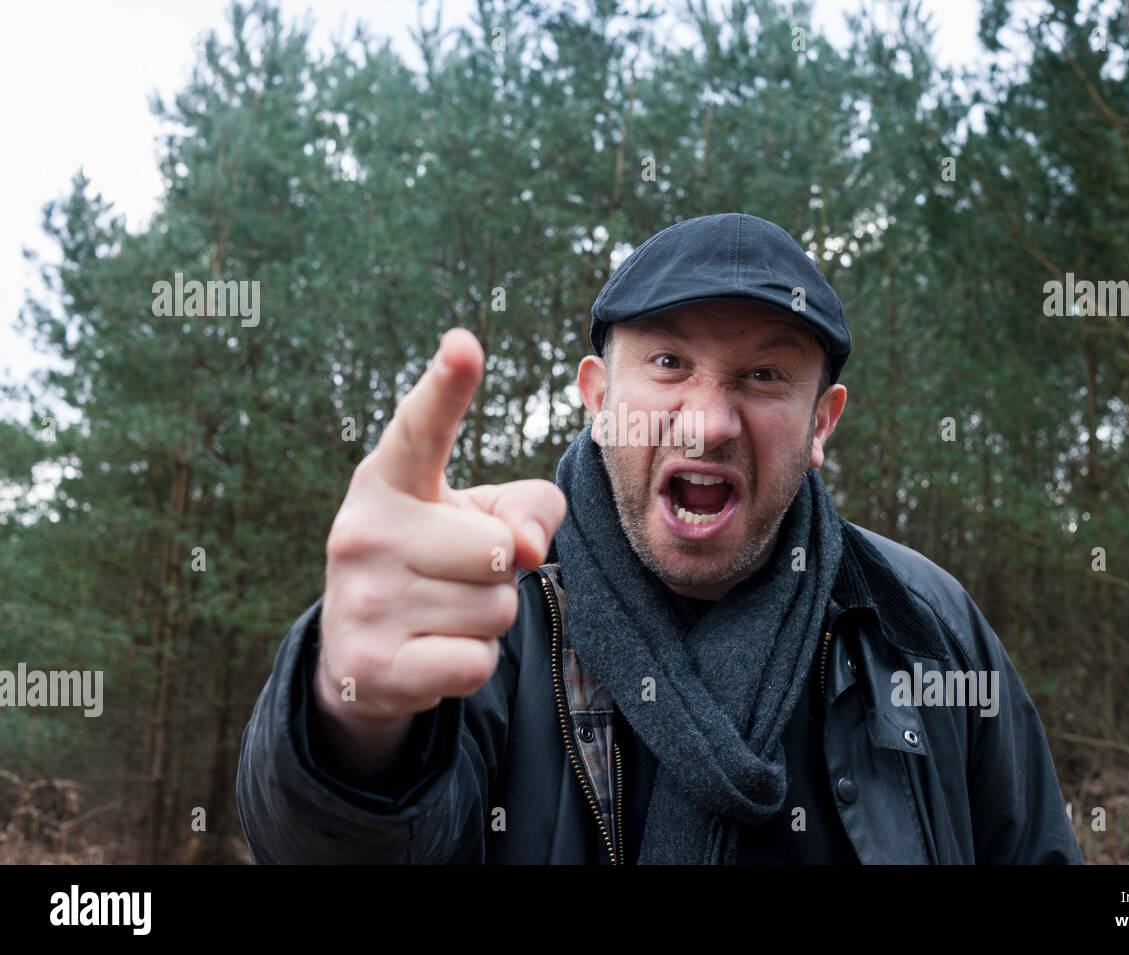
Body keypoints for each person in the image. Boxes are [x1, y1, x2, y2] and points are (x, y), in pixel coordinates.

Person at [235, 212, 1084, 864]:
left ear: (822, 421)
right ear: (598, 396)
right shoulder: (488, 605)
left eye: (763, 374)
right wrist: (350, 716)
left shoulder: (925, 624)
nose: (709, 425)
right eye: (669, 364)